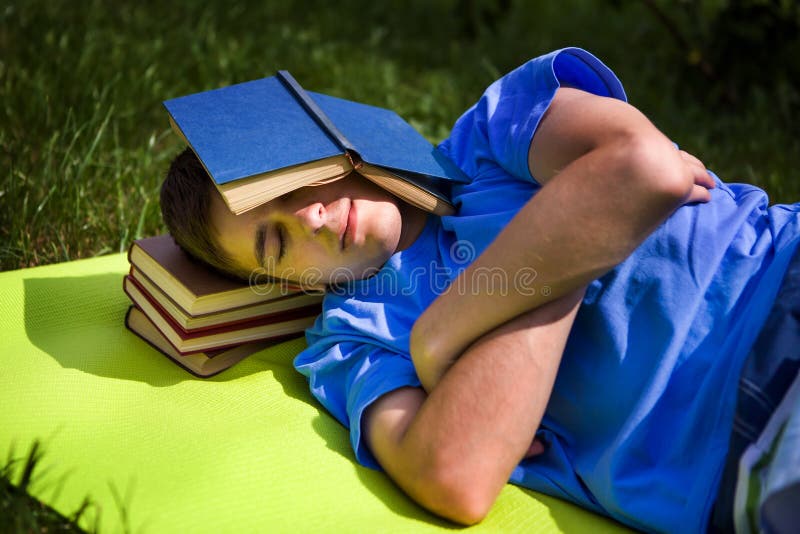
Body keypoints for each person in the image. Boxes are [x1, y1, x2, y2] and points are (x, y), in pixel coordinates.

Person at [160, 48, 800, 532]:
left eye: (294, 183)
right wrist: (579, 227)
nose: (310, 217)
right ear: (279, 283)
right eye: (275, 242)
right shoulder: (353, 340)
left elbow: (647, 170)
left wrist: (446, 337)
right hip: (735, 454)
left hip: (780, 273)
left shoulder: (490, 134)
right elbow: (454, 474)